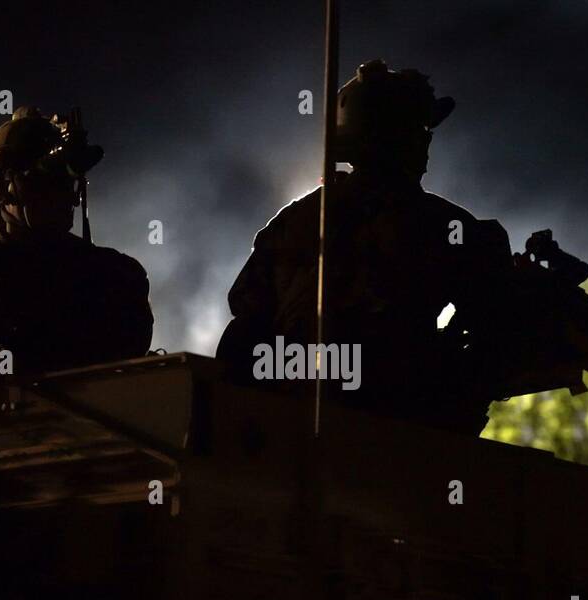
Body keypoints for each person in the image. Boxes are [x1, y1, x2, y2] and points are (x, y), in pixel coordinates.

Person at [216, 59, 517, 434]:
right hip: (391, 427)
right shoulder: (442, 225)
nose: (426, 140)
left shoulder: (293, 221)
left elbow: (244, 327)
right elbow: (502, 328)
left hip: (285, 428)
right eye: (418, 128)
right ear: (398, 137)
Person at [0, 106, 153, 371]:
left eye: (64, 183)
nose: (58, 197)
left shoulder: (115, 275)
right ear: (0, 190)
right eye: (41, 182)